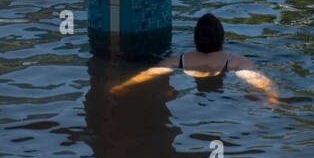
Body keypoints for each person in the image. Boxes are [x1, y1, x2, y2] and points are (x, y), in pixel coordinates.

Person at [110, 13, 278, 101]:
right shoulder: (236, 61)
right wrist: (272, 94)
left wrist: (122, 86)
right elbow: (257, 80)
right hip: (225, 100)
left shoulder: (178, 60)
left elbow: (148, 75)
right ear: (223, 39)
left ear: (194, 40)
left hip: (190, 99)